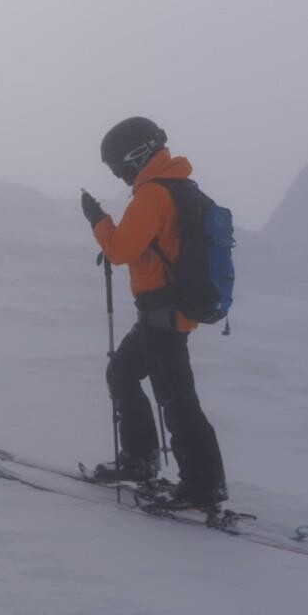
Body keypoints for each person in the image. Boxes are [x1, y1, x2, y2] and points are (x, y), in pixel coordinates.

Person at [79, 116, 228, 510]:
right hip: (162, 312)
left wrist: (98, 222)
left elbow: (120, 250)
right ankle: (140, 461)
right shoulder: (176, 187)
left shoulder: (153, 195)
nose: (118, 174)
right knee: (124, 373)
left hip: (164, 314)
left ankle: (202, 485)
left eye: (116, 166)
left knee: (177, 401)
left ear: (135, 156)